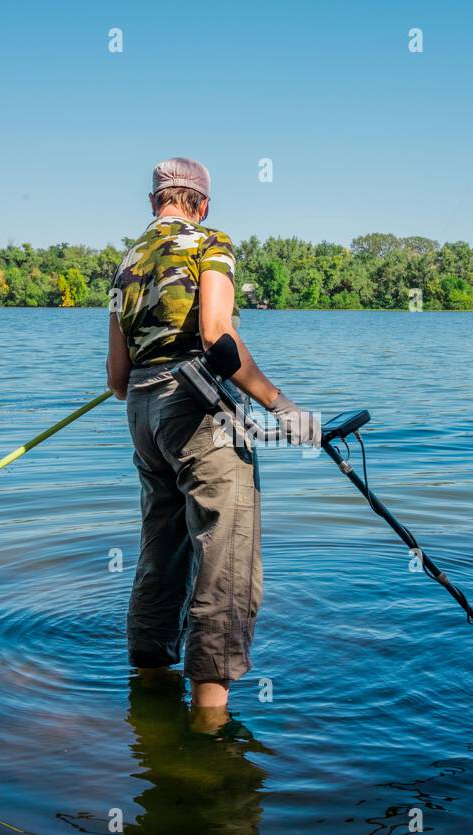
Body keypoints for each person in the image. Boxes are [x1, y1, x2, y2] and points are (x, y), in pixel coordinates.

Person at [106, 157, 319, 723]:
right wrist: (283, 406)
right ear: (198, 203)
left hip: (144, 414)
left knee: (161, 550)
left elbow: (116, 380)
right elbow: (216, 335)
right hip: (195, 411)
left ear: (156, 201)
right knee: (225, 556)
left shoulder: (127, 264)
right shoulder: (209, 242)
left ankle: (150, 688)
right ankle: (210, 721)